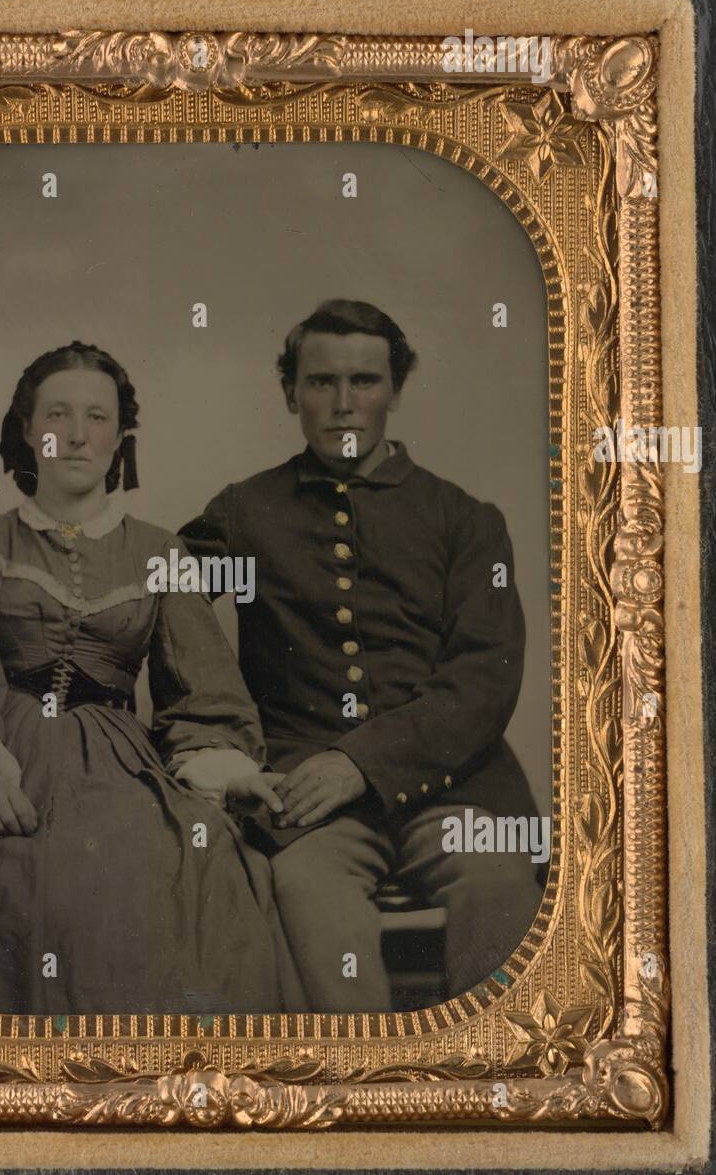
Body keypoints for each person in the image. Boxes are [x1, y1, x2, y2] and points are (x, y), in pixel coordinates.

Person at [0, 341, 297, 1015]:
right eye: (57, 413)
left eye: (97, 416)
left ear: (120, 436)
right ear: (28, 431)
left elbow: (201, 692)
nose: (77, 433)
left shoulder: (159, 554)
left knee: (166, 880)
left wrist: (228, 770)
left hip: (118, 767)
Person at [180, 299, 544, 1011]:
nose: (343, 405)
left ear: (395, 391)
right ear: (290, 393)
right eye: (320, 383)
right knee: (307, 895)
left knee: (499, 888)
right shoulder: (246, 512)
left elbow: (483, 678)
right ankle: (359, 1095)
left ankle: (493, 1088)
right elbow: (161, 599)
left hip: (455, 785)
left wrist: (362, 762)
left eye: (364, 382)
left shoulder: (464, 520)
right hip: (304, 794)